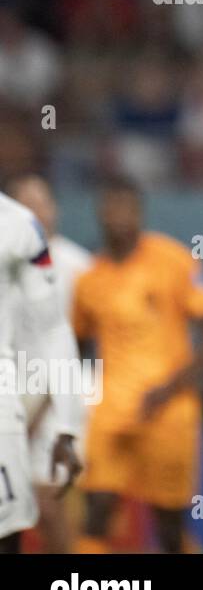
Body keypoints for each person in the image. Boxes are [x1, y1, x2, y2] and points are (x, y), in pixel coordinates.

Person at [72, 177, 203, 553]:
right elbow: (77, 343)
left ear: (141, 214)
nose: (119, 217)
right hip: (111, 410)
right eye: (111, 208)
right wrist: (81, 395)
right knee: (96, 509)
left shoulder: (173, 259)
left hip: (169, 409)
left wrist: (169, 389)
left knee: (168, 523)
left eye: (128, 208)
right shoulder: (90, 278)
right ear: (100, 213)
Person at [6, 174, 92, 553]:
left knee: (41, 506)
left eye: (42, 201)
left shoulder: (77, 265)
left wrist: (59, 413)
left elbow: (72, 337)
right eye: (27, 201)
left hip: (47, 397)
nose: (36, 211)